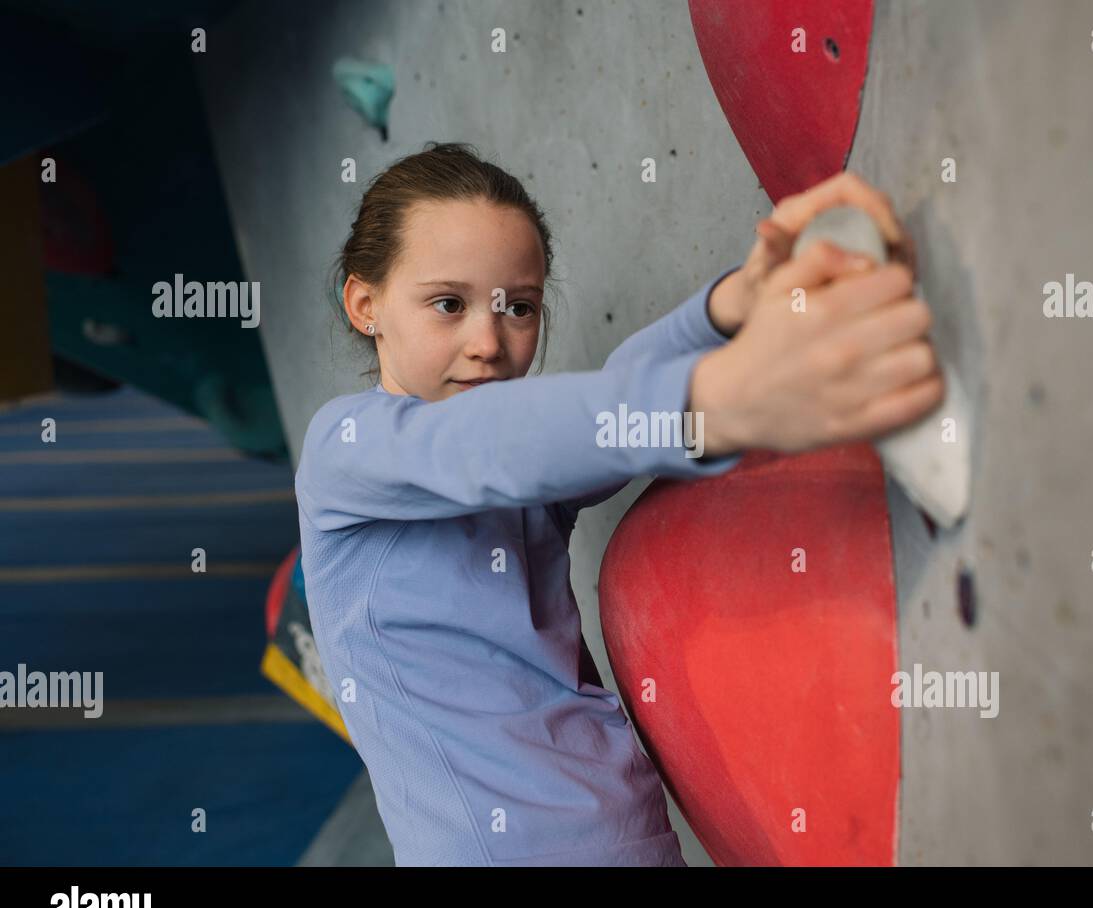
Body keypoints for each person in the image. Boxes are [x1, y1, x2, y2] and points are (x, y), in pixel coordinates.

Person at [295, 142, 942, 865]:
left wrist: (736, 303)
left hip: (632, 835)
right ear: (366, 305)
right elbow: (481, 448)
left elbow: (600, 414)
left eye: (520, 307)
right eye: (448, 304)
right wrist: (725, 400)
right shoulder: (346, 449)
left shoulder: (527, 466)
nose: (488, 340)